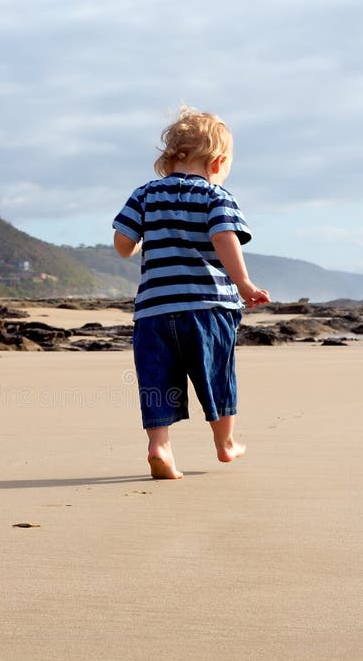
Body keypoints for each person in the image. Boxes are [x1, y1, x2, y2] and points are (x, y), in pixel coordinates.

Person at [113, 105, 270, 479]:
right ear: (218, 163)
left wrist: (141, 241)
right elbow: (224, 238)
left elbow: (122, 243)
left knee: (157, 379)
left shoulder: (144, 194)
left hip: (154, 310)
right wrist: (244, 284)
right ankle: (225, 443)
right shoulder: (216, 196)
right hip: (208, 307)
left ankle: (159, 446)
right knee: (218, 375)